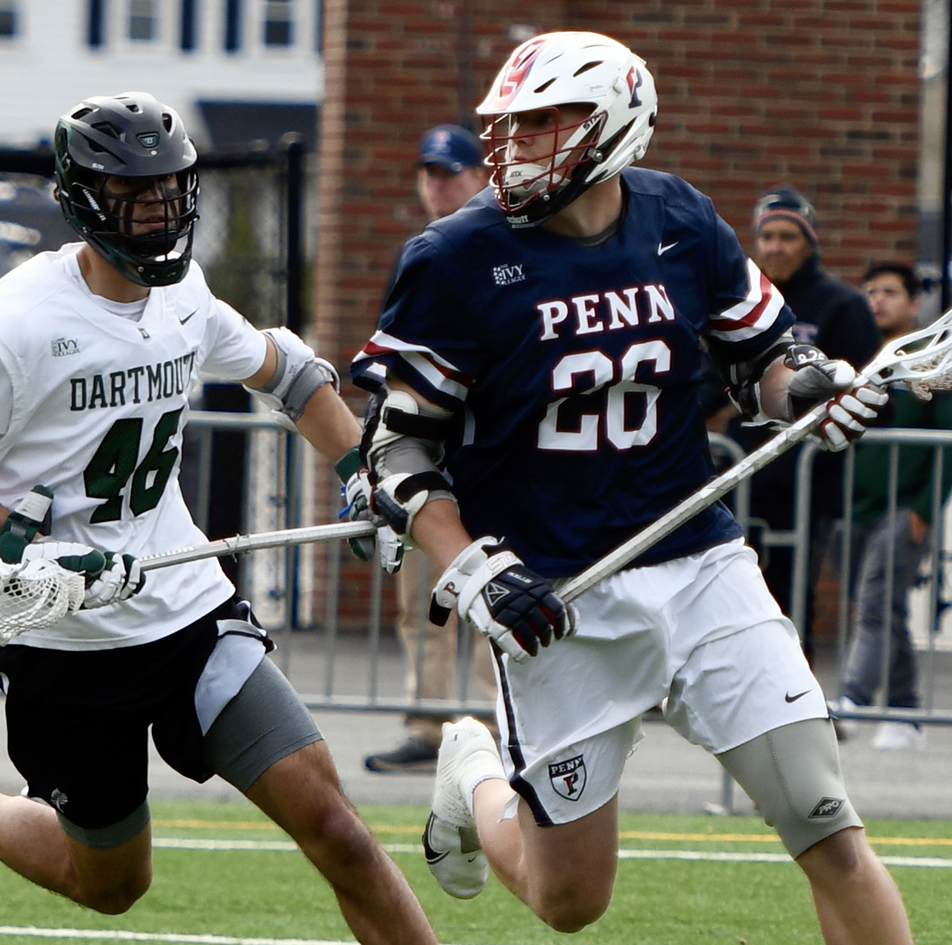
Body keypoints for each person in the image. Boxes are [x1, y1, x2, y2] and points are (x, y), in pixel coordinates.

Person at [353, 32, 911, 943]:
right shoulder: (454, 256)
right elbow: (400, 449)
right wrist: (474, 570)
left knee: (826, 823)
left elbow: (762, 362)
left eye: (545, 121)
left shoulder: (678, 216)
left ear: (616, 122)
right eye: (511, 124)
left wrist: (810, 393)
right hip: (557, 590)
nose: (517, 144)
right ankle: (473, 770)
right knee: (571, 900)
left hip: (697, 562)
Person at [0, 92, 437, 942]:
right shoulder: (18, 324)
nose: (159, 211)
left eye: (170, 190)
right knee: (111, 884)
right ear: (82, 199)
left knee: (337, 829)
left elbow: (290, 373)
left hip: (186, 610)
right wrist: (29, 544)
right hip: (65, 643)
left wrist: (364, 471)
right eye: (134, 194)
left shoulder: (185, 295)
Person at [363, 123, 498, 773]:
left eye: (451, 172)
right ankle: (429, 726)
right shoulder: (418, 253)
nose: (438, 185)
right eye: (430, 173)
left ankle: (500, 724)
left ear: (481, 176)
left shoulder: (506, 243)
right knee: (423, 601)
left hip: (490, 451)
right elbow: (392, 357)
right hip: (426, 454)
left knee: (497, 587)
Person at [724, 186, 880, 661]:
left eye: (787, 236)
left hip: (808, 480)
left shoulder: (842, 305)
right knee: (735, 597)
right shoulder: (741, 301)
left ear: (809, 242)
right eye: (767, 236)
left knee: (791, 598)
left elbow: (872, 393)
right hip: (742, 472)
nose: (775, 247)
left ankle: (794, 688)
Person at [832, 262, 952, 752]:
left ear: (914, 303)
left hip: (904, 507)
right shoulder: (853, 356)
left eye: (890, 292)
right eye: (870, 291)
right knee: (883, 609)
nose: (877, 300)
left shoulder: (932, 357)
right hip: (852, 507)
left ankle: (851, 700)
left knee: (874, 603)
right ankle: (906, 711)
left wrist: (925, 509)